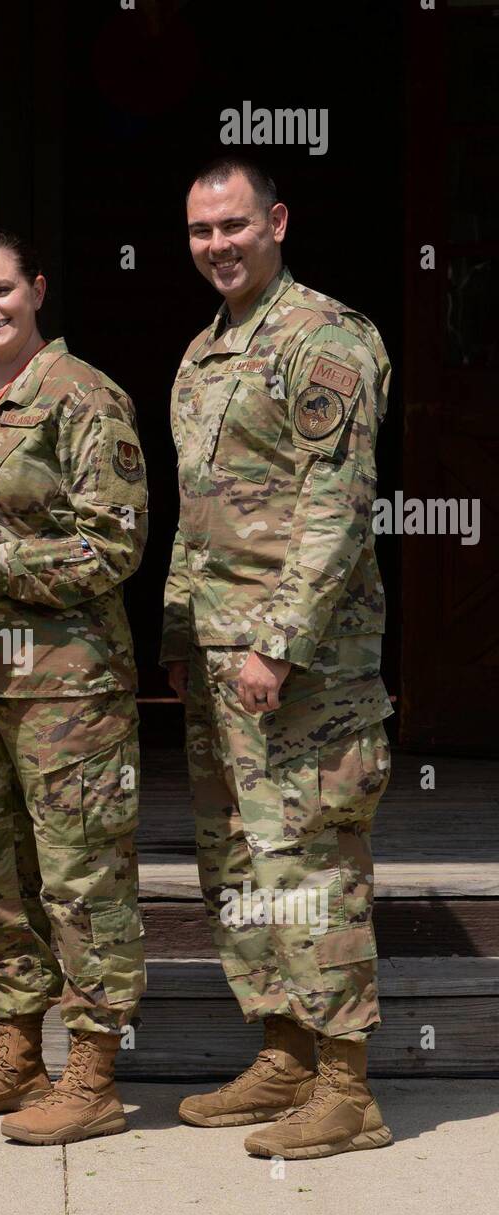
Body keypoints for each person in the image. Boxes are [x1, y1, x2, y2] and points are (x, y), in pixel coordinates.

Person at [161, 158, 394, 1159]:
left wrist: (276, 643)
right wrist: (178, 634)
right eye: (199, 230)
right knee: (243, 867)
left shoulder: (322, 340)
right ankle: (283, 1054)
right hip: (217, 664)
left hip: (301, 675)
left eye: (232, 225)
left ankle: (347, 1091)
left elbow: (333, 515)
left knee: (311, 865)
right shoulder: (202, 356)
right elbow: (198, 513)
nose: (216, 243)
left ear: (277, 223)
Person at [0, 230, 149, 1145]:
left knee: (81, 876)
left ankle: (93, 1073)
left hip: (65, 691)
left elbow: (116, 543)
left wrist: (0, 563)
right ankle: (18, 1053)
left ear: (37, 290)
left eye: (2, 290)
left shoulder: (84, 397)